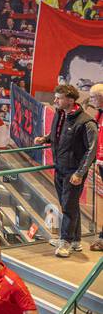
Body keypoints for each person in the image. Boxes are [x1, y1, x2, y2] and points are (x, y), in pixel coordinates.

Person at [37, 83, 98, 257]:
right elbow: (57, 135)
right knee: (69, 205)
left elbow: (91, 150)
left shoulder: (86, 122)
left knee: (68, 207)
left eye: (59, 98)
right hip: (60, 167)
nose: (54, 100)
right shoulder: (60, 114)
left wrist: (80, 173)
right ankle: (76, 241)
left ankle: (66, 242)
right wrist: (45, 139)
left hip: (74, 171)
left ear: (70, 100)